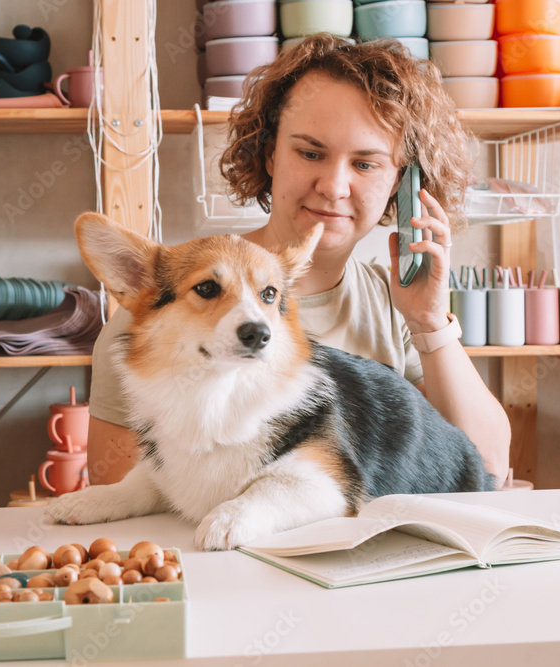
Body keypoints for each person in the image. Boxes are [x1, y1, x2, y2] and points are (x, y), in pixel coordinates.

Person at [86, 33, 511, 488]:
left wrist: (430, 324)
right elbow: (131, 495)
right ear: (269, 155)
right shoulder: (166, 306)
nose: (333, 186)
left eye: (366, 164)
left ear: (400, 185)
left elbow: (485, 467)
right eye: (310, 153)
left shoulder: (395, 303)